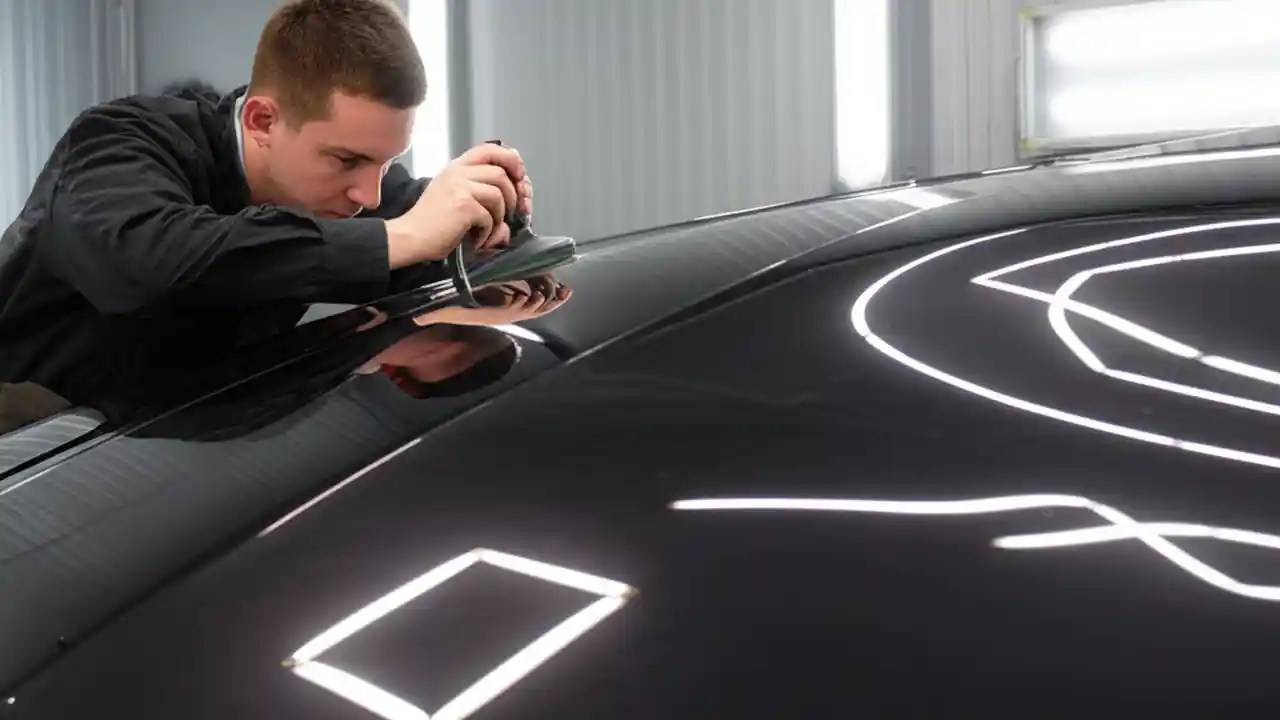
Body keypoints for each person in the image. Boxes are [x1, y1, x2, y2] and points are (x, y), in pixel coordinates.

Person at [0, 0, 567, 430]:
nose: (369, 194)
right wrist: (401, 238)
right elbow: (145, 262)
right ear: (263, 121)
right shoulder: (119, 142)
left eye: (387, 162)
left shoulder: (348, 185)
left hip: (182, 440)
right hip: (33, 435)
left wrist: (492, 218)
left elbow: (438, 242)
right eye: (348, 160)